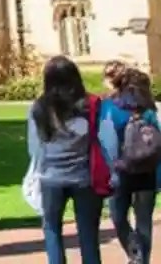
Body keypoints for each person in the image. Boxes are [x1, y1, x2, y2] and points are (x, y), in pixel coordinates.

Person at [29, 55, 117, 264]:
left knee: (52, 230)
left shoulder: (39, 107)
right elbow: (107, 139)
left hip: (51, 177)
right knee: (88, 235)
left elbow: (35, 147)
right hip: (84, 176)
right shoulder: (92, 104)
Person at [104, 68, 159, 264]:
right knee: (143, 222)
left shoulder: (111, 107)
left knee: (119, 219)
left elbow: (106, 142)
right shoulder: (149, 111)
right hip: (146, 172)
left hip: (120, 172)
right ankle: (141, 259)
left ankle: (135, 254)